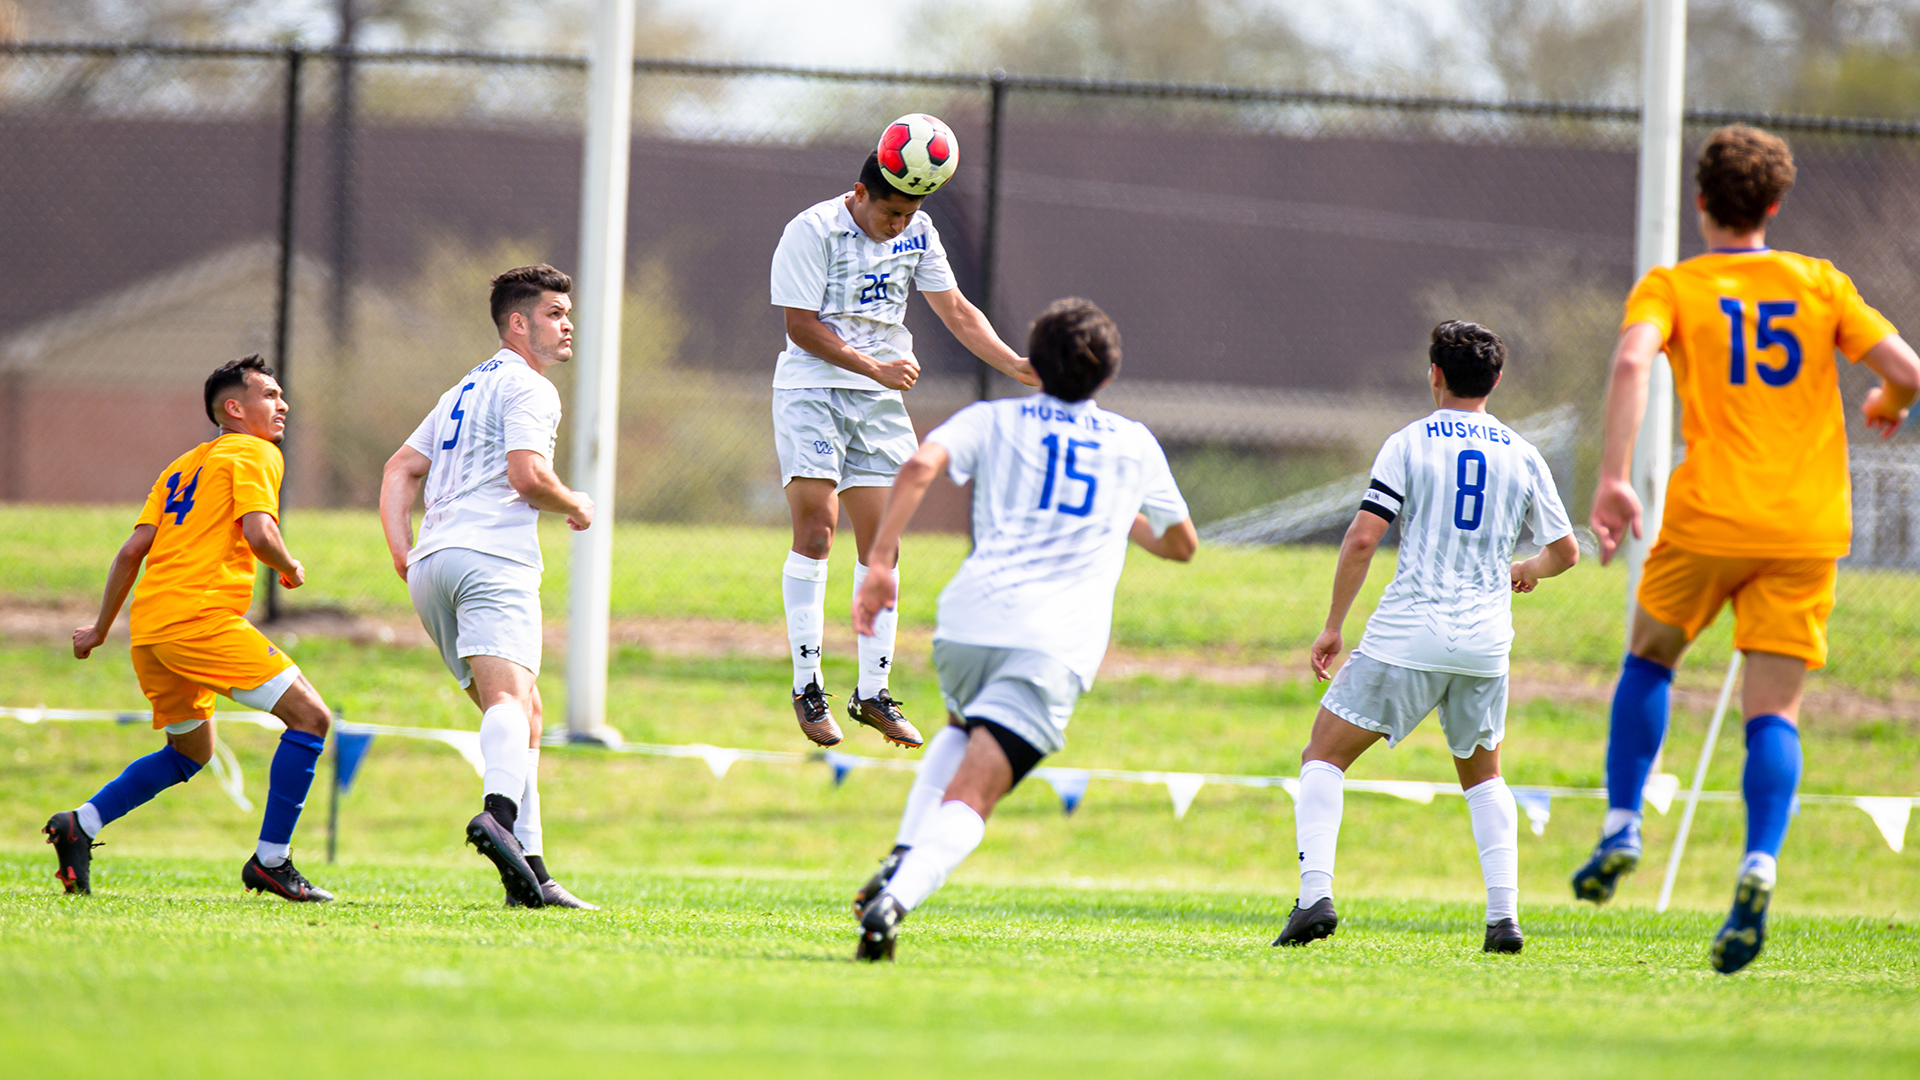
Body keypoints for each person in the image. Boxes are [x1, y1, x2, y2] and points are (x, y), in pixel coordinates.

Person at [1571, 125, 1920, 974]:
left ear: (1701, 202)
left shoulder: (1674, 285)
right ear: (1775, 204)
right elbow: (1908, 370)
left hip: (1710, 517)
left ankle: (1623, 824)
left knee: (1650, 659)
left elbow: (1631, 363)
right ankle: (1759, 861)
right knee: (1774, 712)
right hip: (1804, 526)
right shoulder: (1820, 283)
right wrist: (1887, 401)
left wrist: (1614, 478)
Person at [847, 297, 1197, 962]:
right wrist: (1118, 516)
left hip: (968, 622)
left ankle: (900, 855)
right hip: (1052, 642)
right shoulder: (1133, 443)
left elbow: (918, 466)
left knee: (962, 727)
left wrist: (881, 564)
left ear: (1032, 363)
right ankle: (896, 898)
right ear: (1108, 375)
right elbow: (1182, 544)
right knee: (975, 795)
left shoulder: (992, 417)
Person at [1273, 321, 1578, 955]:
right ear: (1496, 380)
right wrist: (1525, 568)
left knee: (1322, 756)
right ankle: (1504, 919)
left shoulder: (1410, 443)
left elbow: (1364, 537)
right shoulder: (1522, 452)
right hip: (1485, 644)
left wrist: (1333, 626)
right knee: (1485, 778)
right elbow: (1566, 552)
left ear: (1434, 373)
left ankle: (1314, 897)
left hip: (1408, 634)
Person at [771, 143, 1039, 750]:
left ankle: (873, 693)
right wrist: (875, 367)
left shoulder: (919, 232)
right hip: (812, 390)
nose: (899, 224)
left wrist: (1014, 364)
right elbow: (800, 326)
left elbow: (957, 311)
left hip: (878, 400)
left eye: (909, 213)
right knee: (818, 530)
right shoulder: (811, 230)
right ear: (860, 193)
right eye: (891, 212)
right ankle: (808, 685)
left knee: (882, 543)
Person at [46, 355, 336, 902]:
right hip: (199, 621)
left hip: (151, 632)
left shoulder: (181, 467)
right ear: (235, 408)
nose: (283, 405)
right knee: (312, 718)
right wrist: (289, 566)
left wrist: (101, 628)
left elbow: (132, 550)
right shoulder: (256, 452)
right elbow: (259, 532)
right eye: (270, 395)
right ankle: (272, 862)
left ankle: (81, 823)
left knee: (188, 753)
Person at [379, 264, 599, 911]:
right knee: (510, 700)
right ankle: (497, 815)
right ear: (518, 323)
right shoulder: (530, 387)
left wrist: (404, 554)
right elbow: (527, 476)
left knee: (525, 711)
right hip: (490, 557)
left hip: (435, 565)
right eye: (555, 314)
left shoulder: (463, 388)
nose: (568, 325)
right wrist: (574, 502)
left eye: (567, 314)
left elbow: (399, 469)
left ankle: (534, 876)